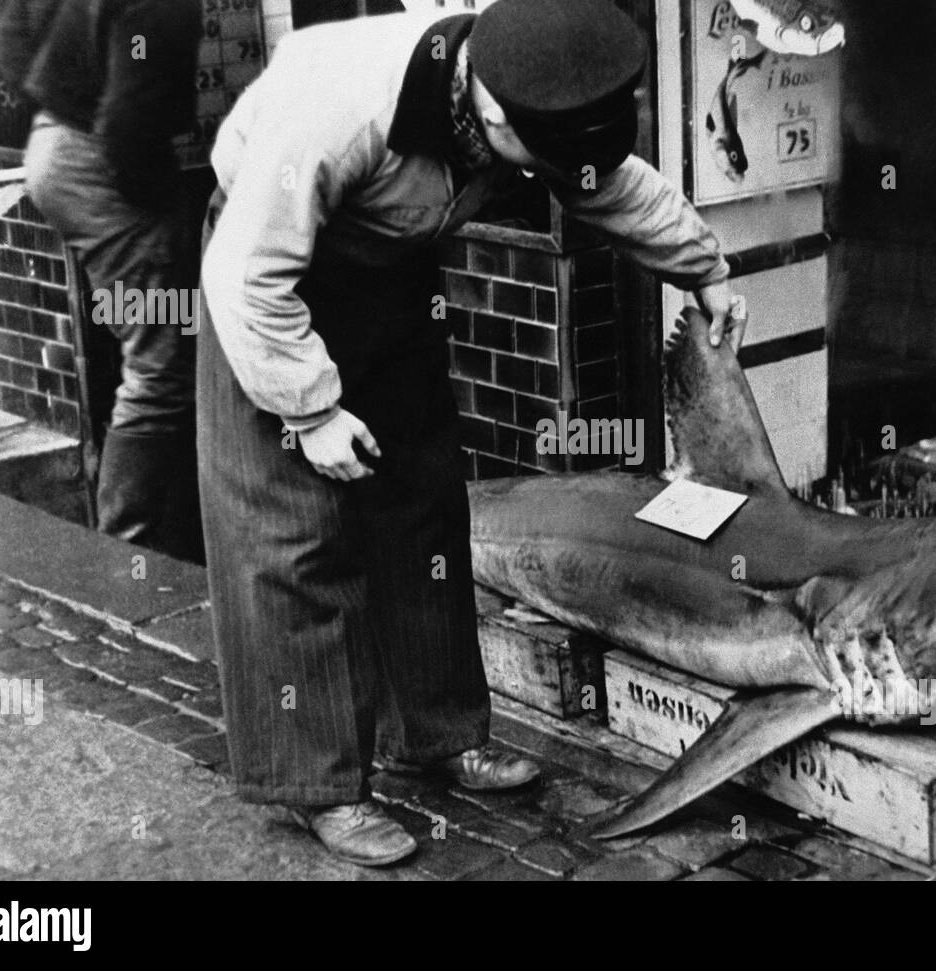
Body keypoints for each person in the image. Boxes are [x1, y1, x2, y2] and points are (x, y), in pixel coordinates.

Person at [198, 0, 737, 867]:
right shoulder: (344, 110)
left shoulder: (530, 90)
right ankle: (320, 786)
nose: (564, 173)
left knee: (423, 508)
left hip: (390, 280)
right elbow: (245, 276)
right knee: (293, 539)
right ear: (490, 114)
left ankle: (439, 733)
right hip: (271, 295)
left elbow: (613, 185)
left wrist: (705, 270)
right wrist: (311, 409)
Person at [0, 0, 205, 562]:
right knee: (161, 366)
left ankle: (153, 533)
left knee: (149, 347)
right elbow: (130, 118)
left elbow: (13, 32)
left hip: (59, 149)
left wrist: (56, 111)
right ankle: (131, 550)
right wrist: (154, 213)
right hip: (102, 167)